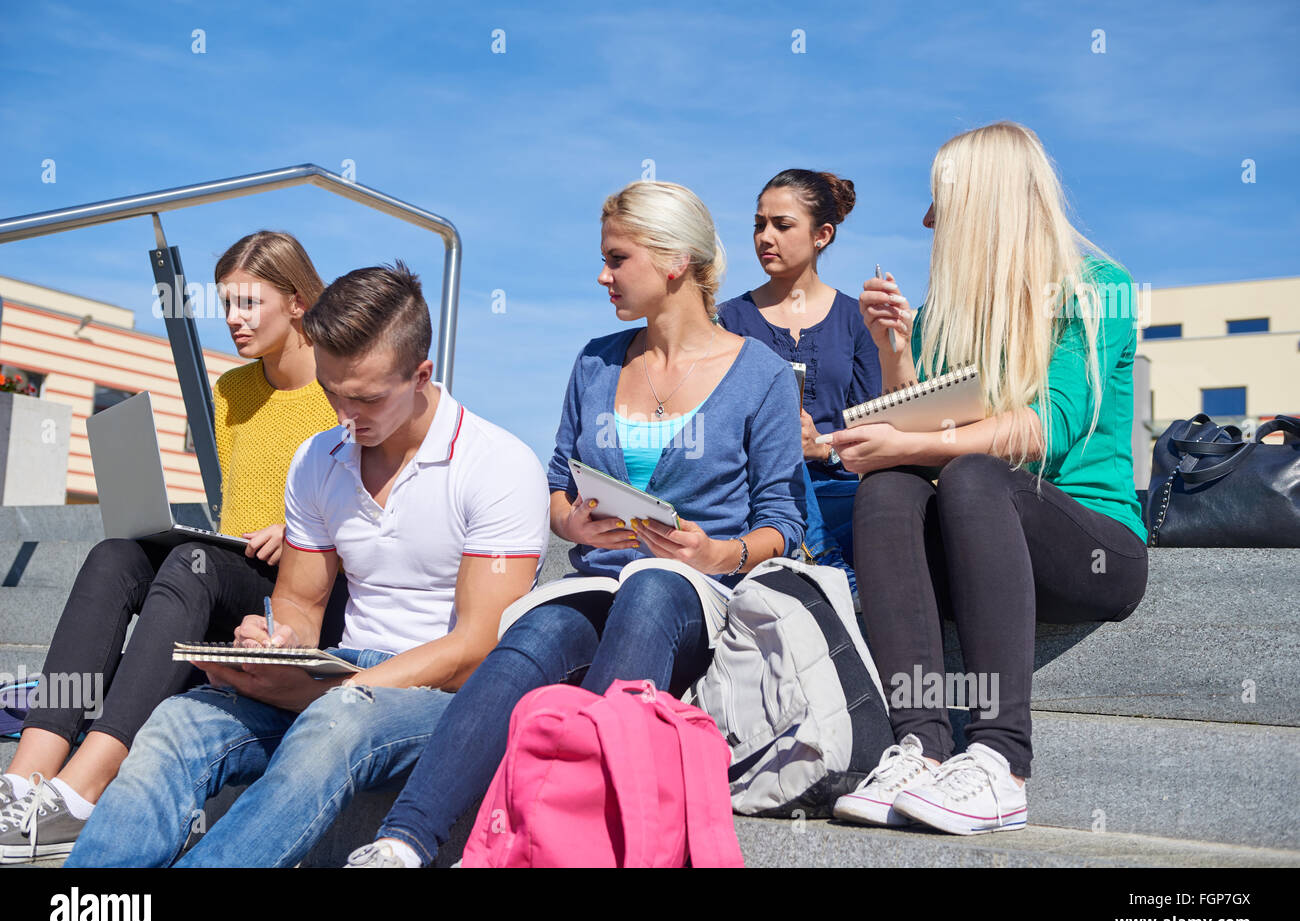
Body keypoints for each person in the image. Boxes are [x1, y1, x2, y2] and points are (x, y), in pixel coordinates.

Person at [344, 180, 806, 867]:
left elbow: (783, 522)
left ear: (674, 260)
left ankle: (566, 837)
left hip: (694, 596)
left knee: (652, 590)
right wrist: (575, 524)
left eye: (618, 258)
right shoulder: (595, 361)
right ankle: (400, 843)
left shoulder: (761, 373)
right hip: (596, 586)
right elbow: (558, 489)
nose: (603, 274)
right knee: (535, 635)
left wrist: (715, 551)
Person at [63, 262, 550, 867]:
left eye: (367, 398)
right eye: (330, 391)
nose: (345, 416)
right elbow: (301, 600)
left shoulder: (498, 465)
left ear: (422, 375)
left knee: (337, 724)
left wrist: (342, 690)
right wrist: (275, 641)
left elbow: (477, 648)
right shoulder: (318, 459)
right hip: (340, 672)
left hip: (446, 698)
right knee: (177, 723)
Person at [828, 121, 1147, 835]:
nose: (927, 221)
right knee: (890, 485)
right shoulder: (950, 312)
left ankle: (1001, 760)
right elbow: (926, 425)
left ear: (985, 203)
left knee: (973, 473)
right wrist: (895, 353)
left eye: (940, 201)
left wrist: (905, 438)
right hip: (983, 527)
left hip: (1095, 544)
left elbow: (1043, 430)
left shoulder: (1102, 290)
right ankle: (921, 745)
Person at [0, 231, 345, 863]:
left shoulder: (342, 386)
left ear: (298, 302)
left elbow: (376, 516)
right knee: (114, 555)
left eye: (248, 303)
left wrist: (300, 531)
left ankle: (82, 792)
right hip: (226, 566)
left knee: (192, 565)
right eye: (226, 305)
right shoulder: (233, 390)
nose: (233, 320)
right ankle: (25, 776)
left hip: (302, 586)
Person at [718, 169, 882, 595]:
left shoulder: (856, 322)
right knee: (779, 446)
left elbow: (873, 426)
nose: (764, 237)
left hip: (839, 489)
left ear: (821, 235)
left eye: (781, 225)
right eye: (759, 225)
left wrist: (823, 447)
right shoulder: (726, 321)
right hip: (754, 496)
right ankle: (825, 561)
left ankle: (820, 556)